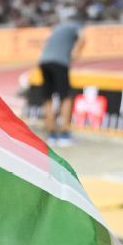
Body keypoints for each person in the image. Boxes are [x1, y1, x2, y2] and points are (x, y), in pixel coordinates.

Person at [38, 8, 85, 147]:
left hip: (44, 61)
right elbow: (82, 39)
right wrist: (74, 55)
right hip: (60, 63)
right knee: (66, 96)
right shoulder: (75, 26)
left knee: (47, 97)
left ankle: (51, 134)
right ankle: (64, 133)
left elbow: (43, 44)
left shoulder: (56, 28)